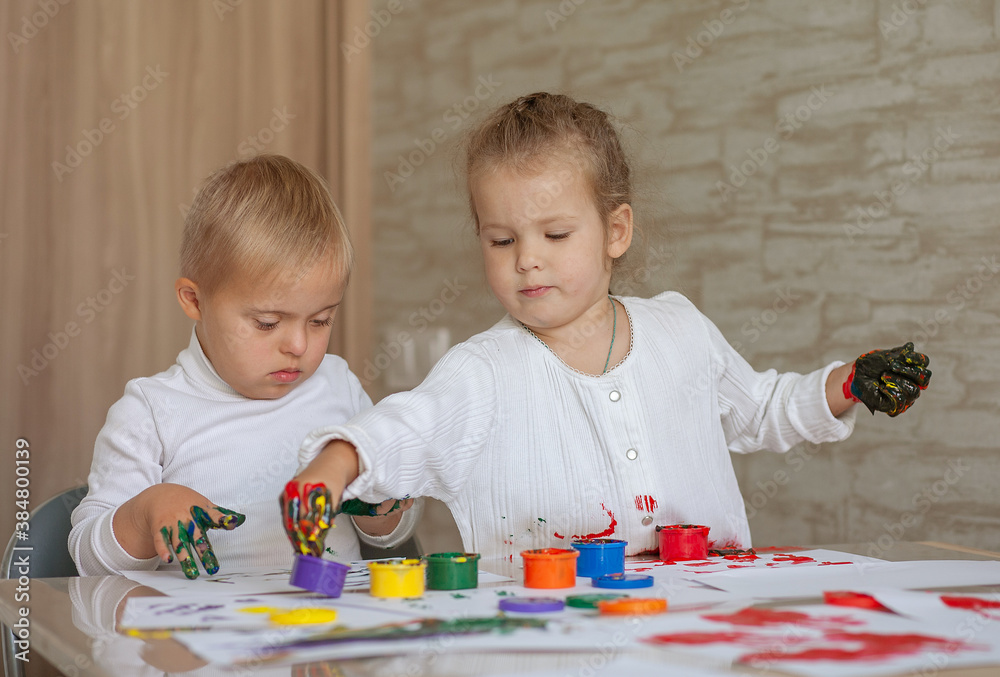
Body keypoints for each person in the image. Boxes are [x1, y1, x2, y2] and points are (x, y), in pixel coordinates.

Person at [283, 93, 930, 561]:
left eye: (555, 234)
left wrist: (847, 383)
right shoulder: (482, 373)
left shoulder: (680, 331)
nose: (527, 259)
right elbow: (401, 430)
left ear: (615, 231)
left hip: (697, 637)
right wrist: (331, 468)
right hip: (548, 645)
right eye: (502, 239)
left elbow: (762, 408)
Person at [70, 154, 418, 579]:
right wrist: (145, 514)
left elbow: (389, 534)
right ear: (195, 301)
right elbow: (87, 561)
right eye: (267, 323)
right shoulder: (151, 412)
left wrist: (380, 503)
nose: (298, 345)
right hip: (196, 622)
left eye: (320, 320)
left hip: (326, 616)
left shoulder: (339, 386)